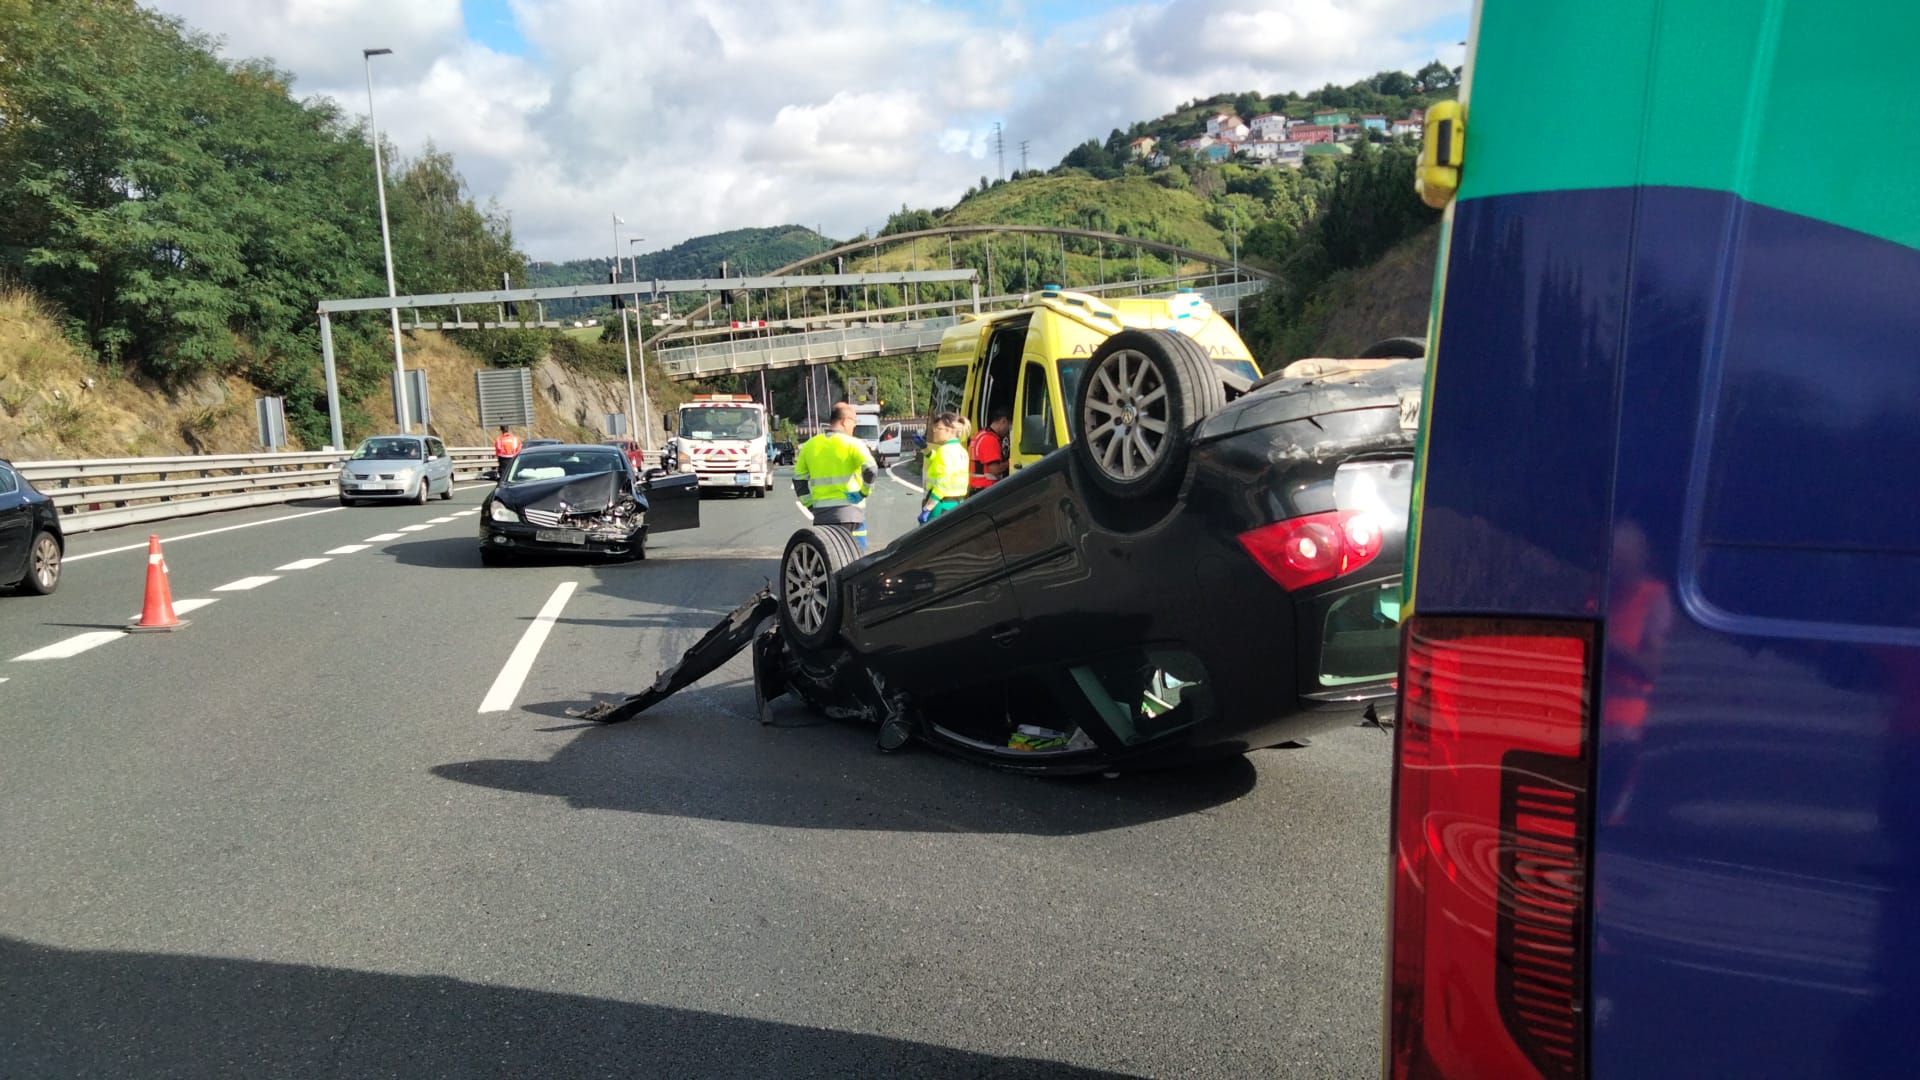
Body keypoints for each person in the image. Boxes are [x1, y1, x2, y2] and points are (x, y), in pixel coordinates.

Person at [794, 402, 879, 551]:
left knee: (829, 560)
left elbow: (799, 481)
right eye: (854, 422)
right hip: (851, 514)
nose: (854, 427)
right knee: (856, 561)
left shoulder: (809, 445)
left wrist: (810, 506)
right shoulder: (854, 444)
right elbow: (871, 470)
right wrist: (863, 492)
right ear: (845, 421)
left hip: (822, 517)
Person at [918, 413, 971, 524]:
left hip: (940, 504)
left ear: (949, 430)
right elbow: (936, 459)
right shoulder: (961, 451)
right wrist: (925, 449)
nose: (934, 431)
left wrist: (928, 508)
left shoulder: (945, 451)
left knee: (932, 538)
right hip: (958, 503)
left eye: (938, 428)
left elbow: (942, 483)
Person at [968, 411, 1012, 496]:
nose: (1008, 431)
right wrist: (1010, 462)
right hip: (986, 489)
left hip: (976, 488)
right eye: (1009, 426)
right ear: (1003, 421)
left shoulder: (980, 435)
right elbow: (995, 470)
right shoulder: (990, 440)